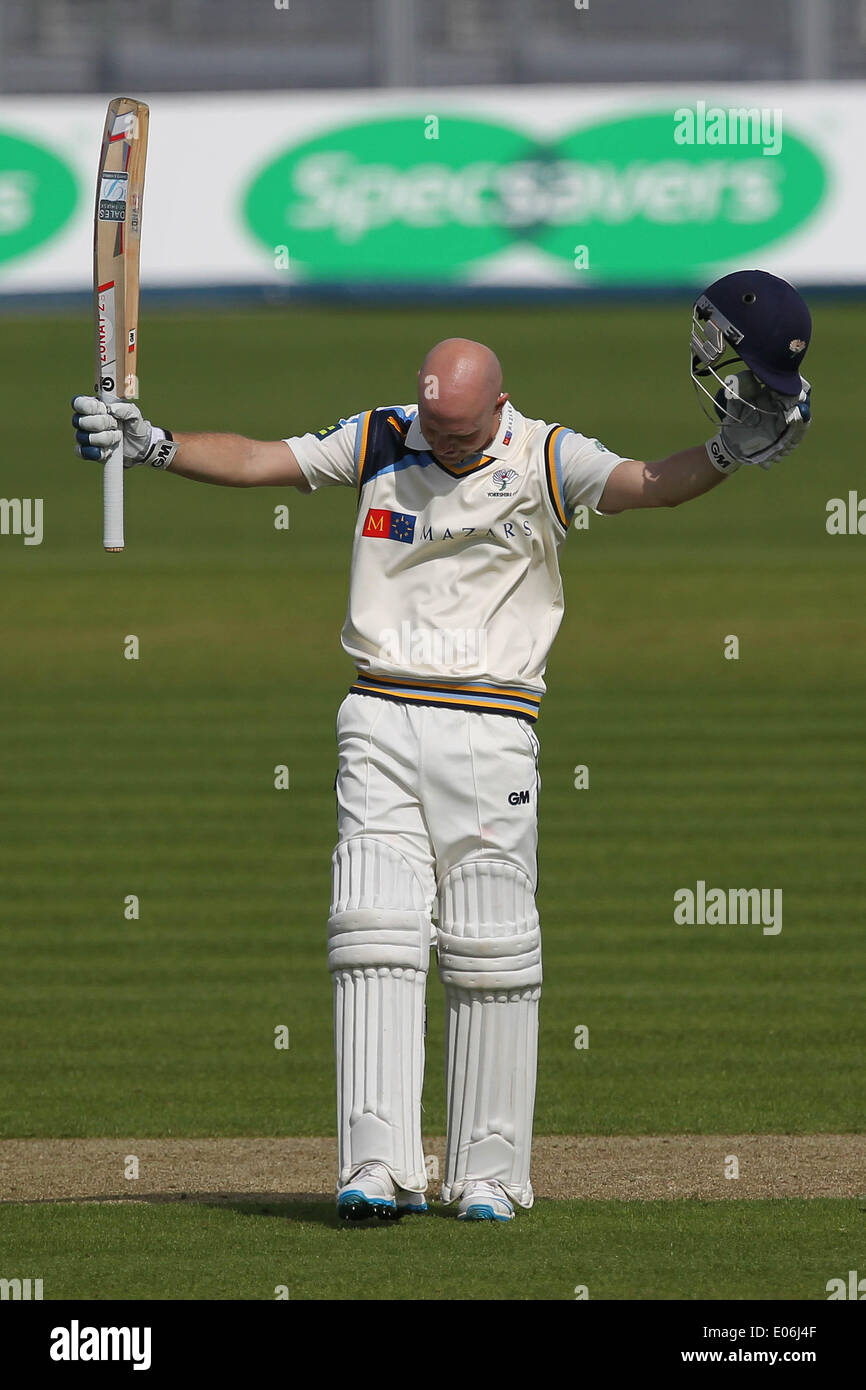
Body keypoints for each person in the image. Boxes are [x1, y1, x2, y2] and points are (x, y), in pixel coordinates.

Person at [71, 272, 811, 1223]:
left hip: (493, 724)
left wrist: (722, 452)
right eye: (437, 427)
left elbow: (644, 487)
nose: (446, 445)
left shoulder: (546, 455)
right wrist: (157, 445)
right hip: (377, 714)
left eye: (463, 431)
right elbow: (262, 458)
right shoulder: (384, 435)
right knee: (371, 934)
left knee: (491, 948)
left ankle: (491, 1173)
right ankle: (376, 1167)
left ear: (498, 405)